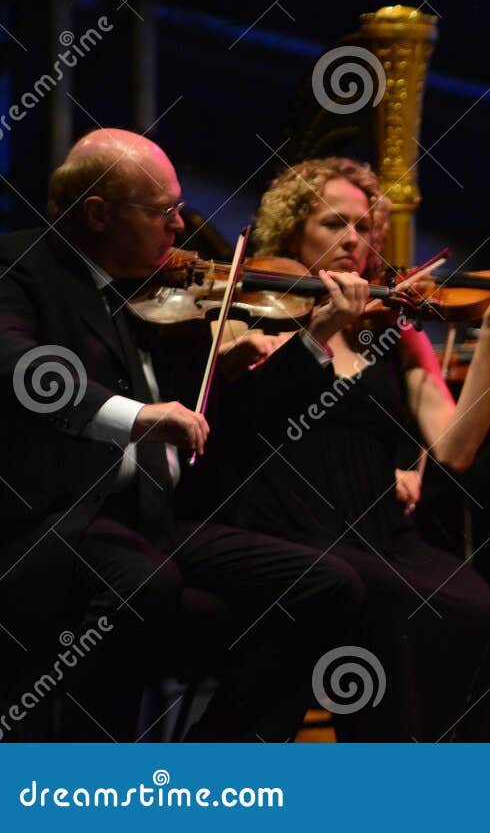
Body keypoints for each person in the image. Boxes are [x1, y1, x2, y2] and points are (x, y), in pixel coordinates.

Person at [0, 129, 361, 740]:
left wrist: (295, 342)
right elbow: (22, 371)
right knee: (146, 584)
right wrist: (136, 417)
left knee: (328, 586)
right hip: (55, 521)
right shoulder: (22, 265)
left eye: (179, 207)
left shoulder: (156, 298)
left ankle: (205, 776)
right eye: (161, 211)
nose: (180, 226)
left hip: (152, 521)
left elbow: (233, 419)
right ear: (97, 213)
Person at [219, 157, 490, 739]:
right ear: (292, 232)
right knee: (387, 604)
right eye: (334, 224)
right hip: (288, 522)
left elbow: (455, 449)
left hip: (380, 530)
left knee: (485, 610)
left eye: (362, 227)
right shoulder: (246, 308)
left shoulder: (393, 333)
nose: (352, 240)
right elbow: (240, 414)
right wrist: (320, 326)